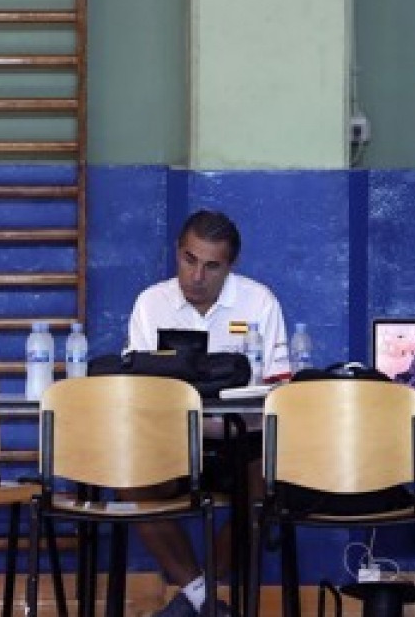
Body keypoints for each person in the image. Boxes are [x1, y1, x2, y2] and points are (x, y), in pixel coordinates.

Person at [124, 209, 289, 617]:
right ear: (178, 253)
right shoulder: (151, 303)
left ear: (229, 267)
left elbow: (282, 389)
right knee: (127, 479)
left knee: (268, 487)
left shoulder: (260, 302)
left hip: (241, 443)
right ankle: (205, 601)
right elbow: (136, 389)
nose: (197, 276)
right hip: (172, 443)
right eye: (189, 260)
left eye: (211, 266)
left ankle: (193, 600)